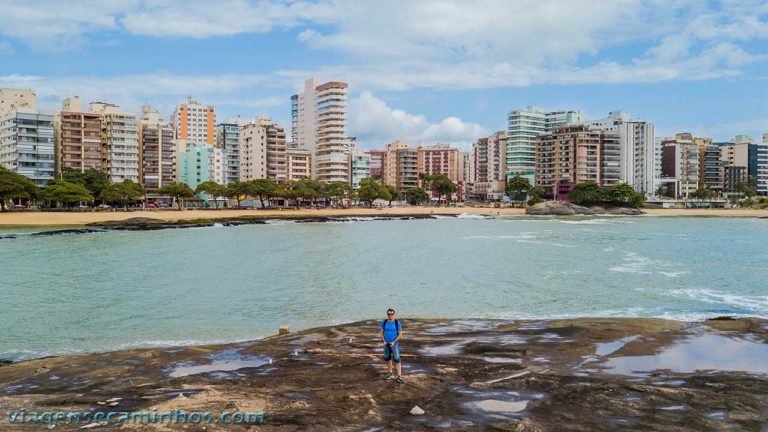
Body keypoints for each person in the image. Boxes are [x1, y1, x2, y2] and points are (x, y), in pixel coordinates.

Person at [379, 308, 404, 384]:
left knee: (397, 359)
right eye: (389, 314)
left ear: (394, 314)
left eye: (391, 314)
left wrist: (394, 342)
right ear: (387, 314)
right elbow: (381, 332)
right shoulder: (384, 322)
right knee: (387, 358)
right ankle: (390, 373)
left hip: (394, 344)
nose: (390, 315)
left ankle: (399, 376)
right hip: (386, 344)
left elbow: (400, 334)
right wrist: (384, 341)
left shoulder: (397, 323)